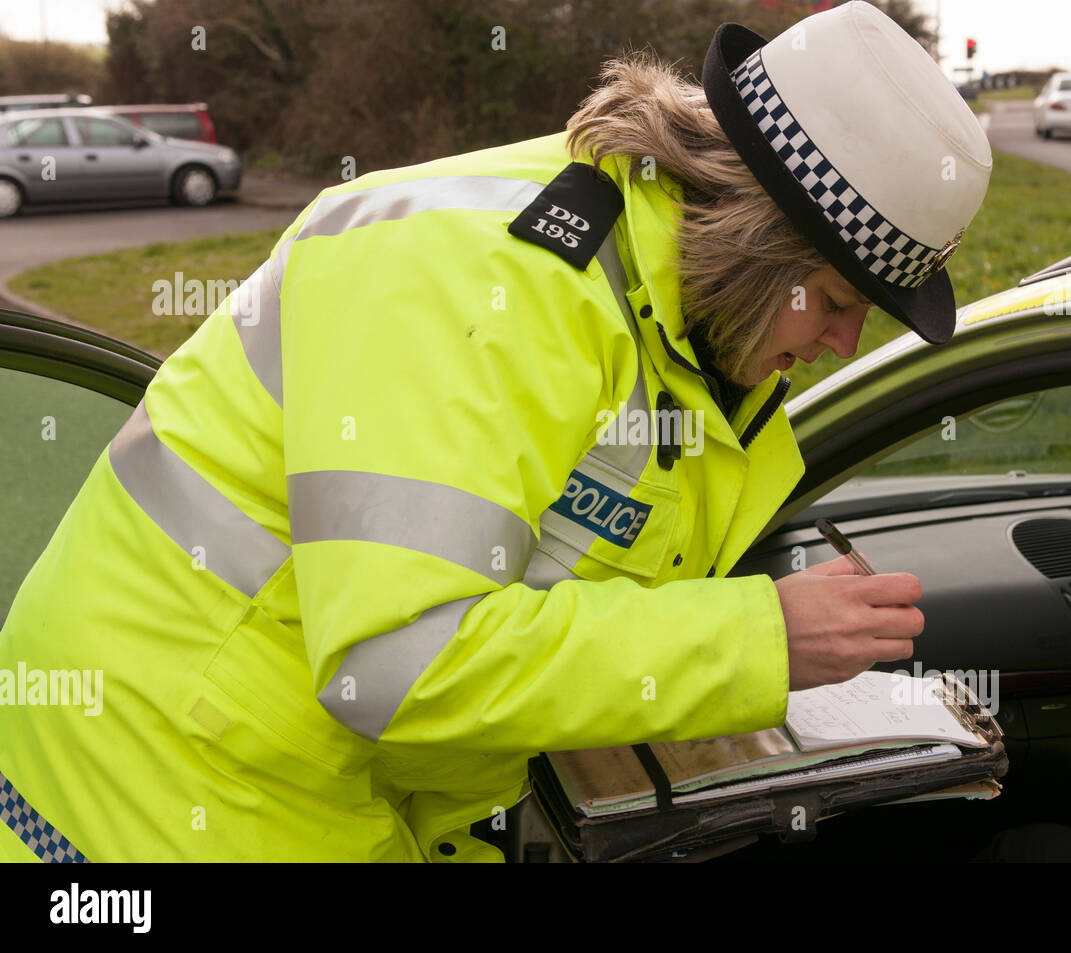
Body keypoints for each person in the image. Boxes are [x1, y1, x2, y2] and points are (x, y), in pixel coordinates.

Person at [0, 1, 991, 862]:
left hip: (328, 776)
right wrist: (756, 634)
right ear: (746, 243)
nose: (842, 342)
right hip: (151, 778)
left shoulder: (682, 328)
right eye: (831, 300)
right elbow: (396, 662)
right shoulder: (477, 288)